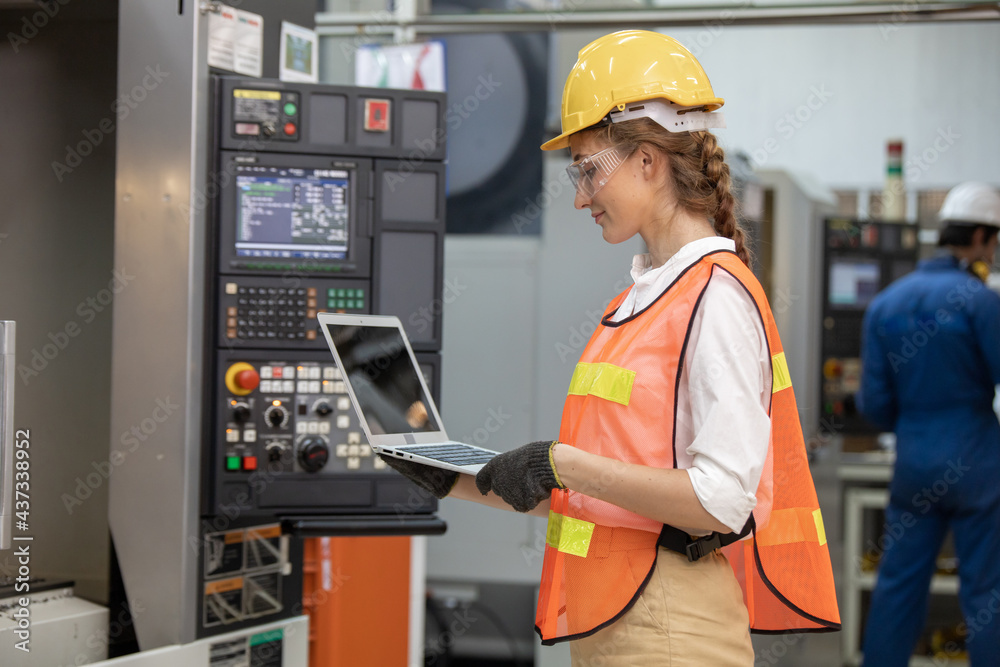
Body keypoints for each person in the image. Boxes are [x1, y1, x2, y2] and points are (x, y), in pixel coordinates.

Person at [384, 30, 839, 665]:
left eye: (587, 170)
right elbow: (606, 493)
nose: (578, 197)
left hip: (672, 630)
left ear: (648, 161)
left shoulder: (714, 296)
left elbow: (720, 500)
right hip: (623, 622)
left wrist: (562, 461)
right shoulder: (645, 296)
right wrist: (449, 475)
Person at [859, 182, 1000, 666]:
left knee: (898, 584)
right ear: (982, 236)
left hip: (915, 462)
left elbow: (874, 405)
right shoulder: (982, 302)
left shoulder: (886, 303)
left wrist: (916, 426)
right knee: (985, 592)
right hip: (979, 465)